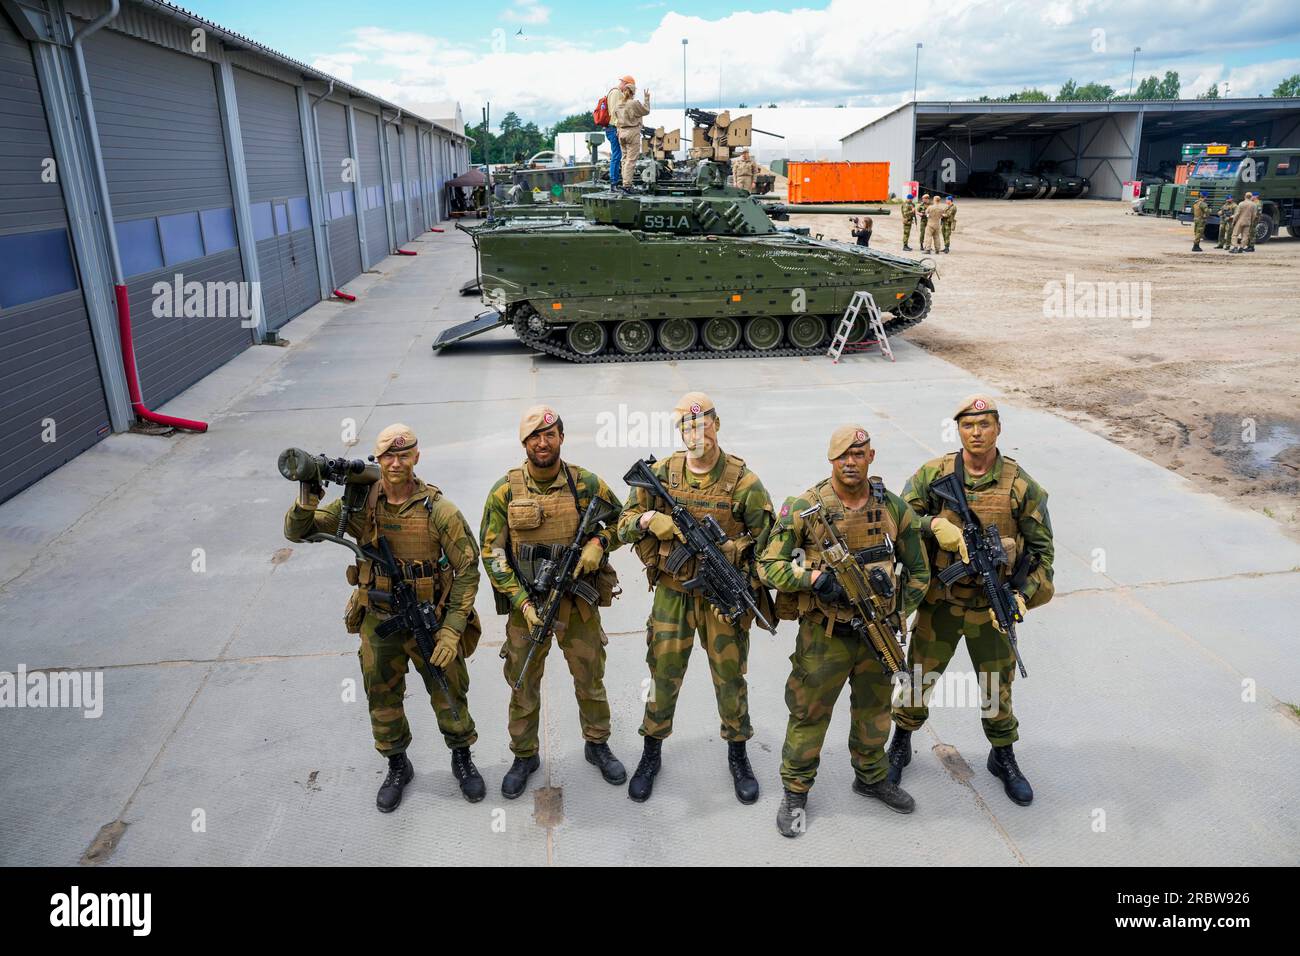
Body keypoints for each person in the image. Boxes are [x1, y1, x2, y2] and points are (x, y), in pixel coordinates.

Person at [283, 424, 486, 812]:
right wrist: (307, 500)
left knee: (449, 691)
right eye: (388, 455)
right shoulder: (359, 505)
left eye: (404, 454)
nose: (396, 463)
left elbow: (467, 570)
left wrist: (451, 631)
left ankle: (462, 758)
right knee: (381, 695)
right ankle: (397, 765)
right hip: (379, 619)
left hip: (430, 620)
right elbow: (298, 532)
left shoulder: (439, 510)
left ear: (416, 457)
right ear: (377, 458)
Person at [760, 425, 930, 837]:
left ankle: (871, 777)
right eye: (842, 456)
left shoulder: (892, 507)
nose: (850, 462)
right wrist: (814, 578)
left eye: (858, 454)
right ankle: (796, 790)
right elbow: (768, 566)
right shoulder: (806, 506)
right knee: (809, 713)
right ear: (831, 460)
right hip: (825, 635)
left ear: (871, 456)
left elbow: (919, 571)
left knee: (875, 709)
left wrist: (896, 611)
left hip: (876, 635)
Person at [886, 396, 1055, 806]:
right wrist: (933, 524)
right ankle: (901, 741)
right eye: (968, 425)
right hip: (940, 603)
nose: (976, 433)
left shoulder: (1021, 486)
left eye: (984, 424)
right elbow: (896, 519)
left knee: (997, 685)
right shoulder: (933, 474)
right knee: (918, 677)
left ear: (998, 428)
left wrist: (1022, 596)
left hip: (991, 609)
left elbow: (1043, 555)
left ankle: (1002, 754)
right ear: (958, 430)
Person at [618, 392, 775, 805]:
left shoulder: (745, 483)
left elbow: (769, 547)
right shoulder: (661, 474)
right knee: (662, 674)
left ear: (716, 424)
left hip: (720, 598)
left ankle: (738, 753)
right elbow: (622, 525)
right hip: (673, 594)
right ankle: (651, 751)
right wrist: (650, 518)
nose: (694, 432)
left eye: (701, 423)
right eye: (685, 426)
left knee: (730, 677)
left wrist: (739, 574)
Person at [479, 406, 628, 799]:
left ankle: (597, 743)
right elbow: (492, 553)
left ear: (561, 437)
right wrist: (523, 604)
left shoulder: (585, 483)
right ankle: (524, 755)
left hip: (577, 604)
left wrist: (600, 542)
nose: (542, 443)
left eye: (549, 435)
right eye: (534, 437)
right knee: (523, 682)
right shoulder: (505, 491)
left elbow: (624, 520)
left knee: (590, 677)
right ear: (524, 442)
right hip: (527, 606)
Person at [612, 76, 650, 187]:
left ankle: (625, 182)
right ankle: (627, 184)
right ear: (633, 92)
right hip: (632, 133)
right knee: (631, 160)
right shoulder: (633, 103)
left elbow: (615, 118)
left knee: (624, 159)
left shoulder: (618, 104)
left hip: (621, 133)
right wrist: (646, 99)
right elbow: (646, 111)